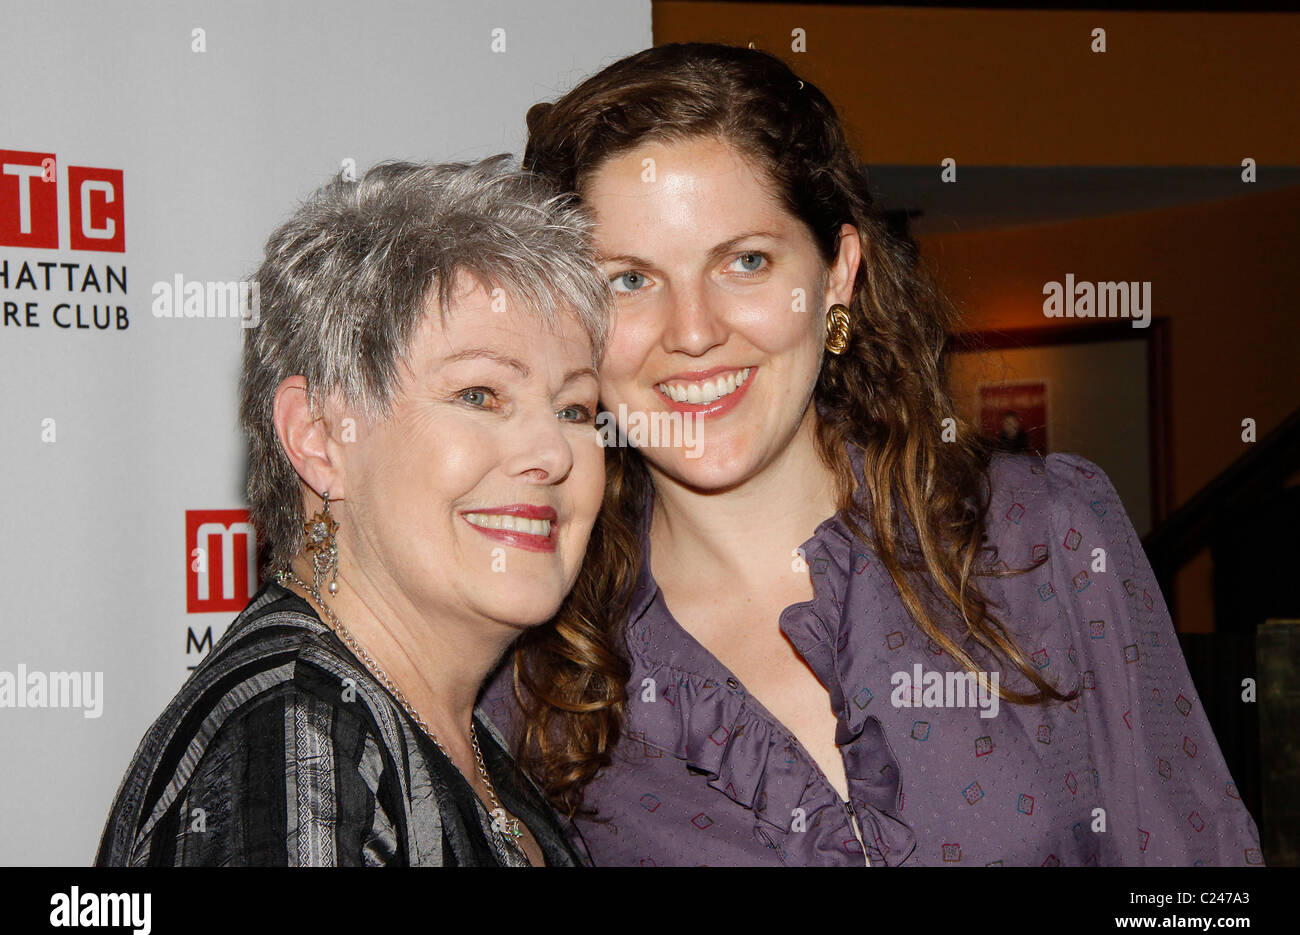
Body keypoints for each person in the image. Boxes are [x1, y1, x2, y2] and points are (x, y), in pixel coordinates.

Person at [482, 43, 1265, 866]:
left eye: (745, 262)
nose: (694, 332)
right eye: (629, 281)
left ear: (838, 278)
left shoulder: (1042, 539)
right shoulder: (535, 662)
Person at [96, 156, 613, 866]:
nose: (553, 452)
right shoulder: (296, 741)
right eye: (479, 395)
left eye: (575, 407)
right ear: (318, 439)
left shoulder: (445, 733)